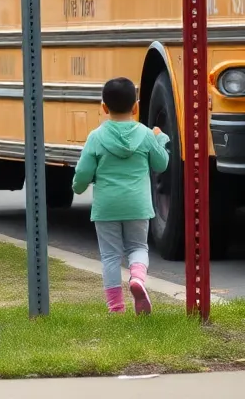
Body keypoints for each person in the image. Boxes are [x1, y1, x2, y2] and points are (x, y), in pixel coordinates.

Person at [71, 77, 170, 315]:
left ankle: (116, 307)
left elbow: (83, 172)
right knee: (138, 247)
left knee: (110, 256)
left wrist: (77, 186)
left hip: (107, 206)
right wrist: (161, 138)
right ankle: (137, 279)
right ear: (136, 106)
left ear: (104, 107)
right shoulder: (146, 135)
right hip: (137, 204)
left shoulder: (96, 137)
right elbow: (162, 164)